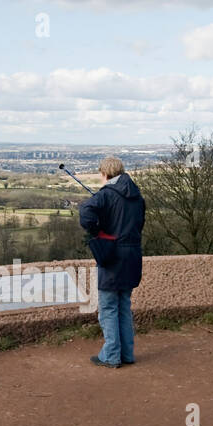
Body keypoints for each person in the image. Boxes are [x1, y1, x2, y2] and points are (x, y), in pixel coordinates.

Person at [79, 155, 145, 368]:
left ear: (105, 173)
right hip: (133, 255)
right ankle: (127, 354)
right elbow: (138, 225)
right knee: (124, 306)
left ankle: (111, 356)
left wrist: (98, 230)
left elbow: (86, 212)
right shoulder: (137, 196)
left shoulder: (106, 194)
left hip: (113, 256)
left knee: (108, 307)